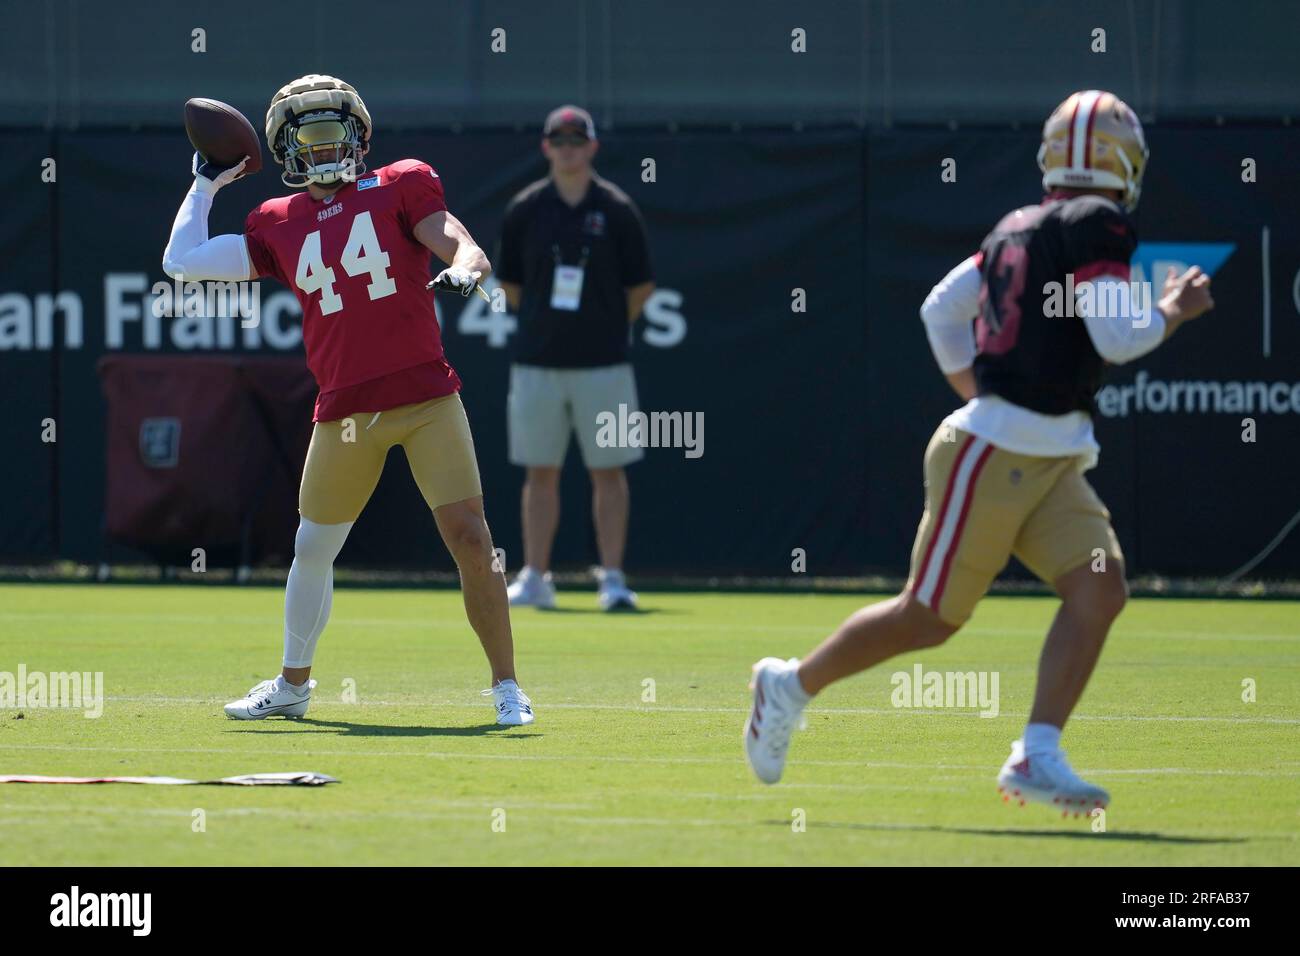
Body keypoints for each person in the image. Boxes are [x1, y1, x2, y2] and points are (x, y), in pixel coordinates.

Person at [743, 90, 1214, 810]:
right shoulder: (1100, 223)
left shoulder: (1018, 224)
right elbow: (1119, 338)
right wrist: (1174, 310)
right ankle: (788, 686)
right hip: (995, 453)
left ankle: (1037, 753)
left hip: (1047, 453)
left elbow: (941, 307)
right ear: (1124, 162)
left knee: (1099, 589)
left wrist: (975, 384)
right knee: (928, 619)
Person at [161, 74, 534, 725]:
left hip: (425, 398)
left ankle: (506, 687)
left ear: (358, 137)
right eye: (311, 135)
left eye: (334, 131)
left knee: (472, 538)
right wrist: (208, 180)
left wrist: (468, 269)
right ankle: (292, 685)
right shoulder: (276, 222)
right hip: (345, 409)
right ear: (287, 149)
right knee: (313, 548)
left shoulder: (400, 184)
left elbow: (458, 239)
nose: (326, 147)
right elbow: (183, 261)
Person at [495, 105, 656, 612]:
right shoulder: (525, 208)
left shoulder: (617, 209)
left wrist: (600, 328)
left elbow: (641, 286)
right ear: (546, 147)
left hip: (605, 364)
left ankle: (612, 579)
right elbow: (511, 285)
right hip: (537, 363)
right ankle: (536, 577)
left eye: (576, 139)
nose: (567, 148)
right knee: (539, 472)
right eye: (558, 140)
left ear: (591, 146)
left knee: (609, 472)